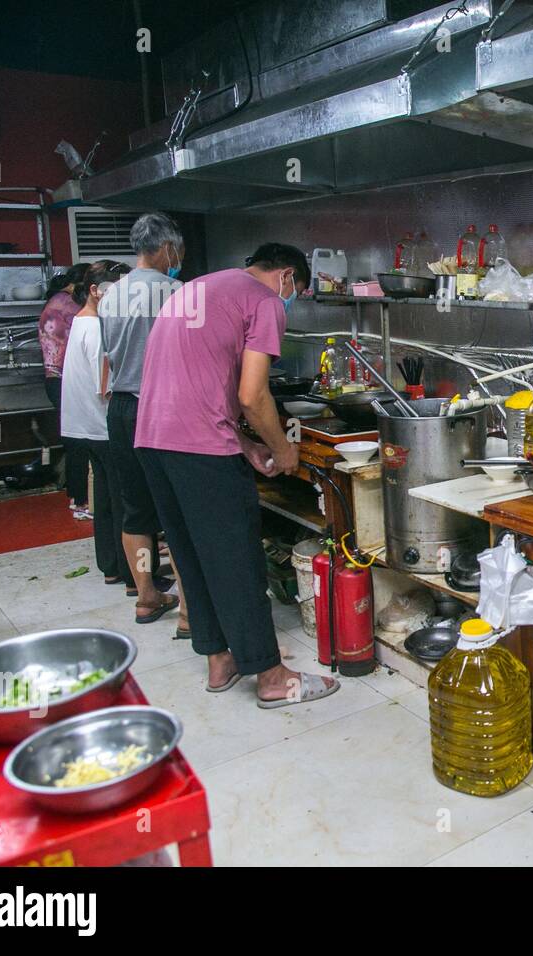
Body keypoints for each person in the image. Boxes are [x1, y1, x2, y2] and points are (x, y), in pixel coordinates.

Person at [135, 242, 339, 708]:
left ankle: (220, 658)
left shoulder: (200, 287)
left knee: (191, 553)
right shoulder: (265, 299)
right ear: (287, 276)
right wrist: (282, 448)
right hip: (198, 447)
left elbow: (197, 380)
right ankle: (270, 676)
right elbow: (252, 395)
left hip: (152, 439)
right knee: (237, 558)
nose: (290, 303)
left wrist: (244, 445)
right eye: (297, 293)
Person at [98, 212, 187, 630]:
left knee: (134, 510)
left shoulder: (110, 294)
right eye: (178, 250)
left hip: (121, 409)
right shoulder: (177, 291)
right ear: (166, 247)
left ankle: (148, 598)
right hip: (162, 408)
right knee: (178, 511)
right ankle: (190, 613)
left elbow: (109, 354)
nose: (179, 256)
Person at [59, 260, 132, 588]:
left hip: (81, 426)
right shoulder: (98, 327)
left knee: (104, 499)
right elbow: (106, 386)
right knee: (124, 502)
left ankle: (112, 566)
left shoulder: (80, 321)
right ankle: (135, 575)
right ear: (94, 291)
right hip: (102, 425)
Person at [39, 264, 91, 518]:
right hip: (65, 380)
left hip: (56, 380)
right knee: (80, 441)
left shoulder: (58, 301)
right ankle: (81, 500)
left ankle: (77, 496)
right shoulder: (69, 307)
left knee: (75, 440)